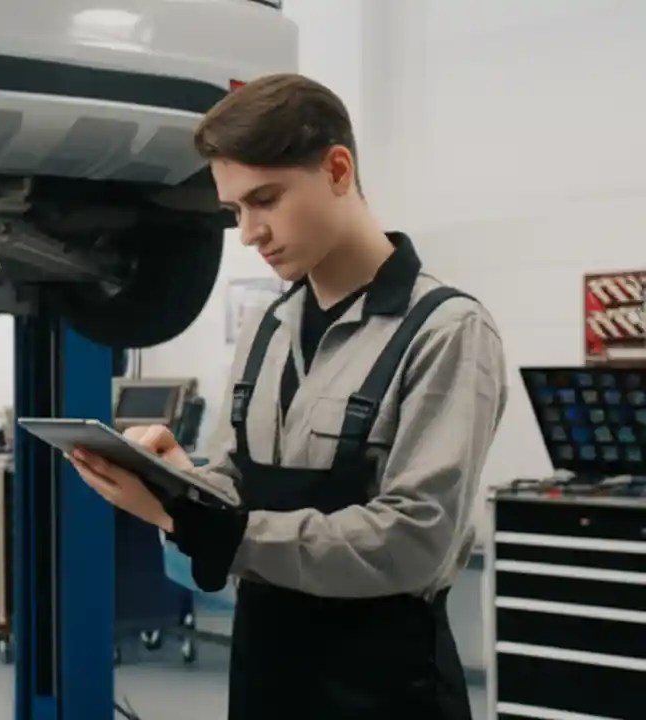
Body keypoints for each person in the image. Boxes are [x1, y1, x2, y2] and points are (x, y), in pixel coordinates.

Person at [69, 73, 508, 720]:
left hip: (386, 692)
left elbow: (412, 542)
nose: (248, 233)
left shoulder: (446, 331)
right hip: (265, 680)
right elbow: (236, 486)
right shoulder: (268, 329)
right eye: (235, 212)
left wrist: (197, 524)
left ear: (337, 169)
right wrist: (181, 483)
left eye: (265, 199)